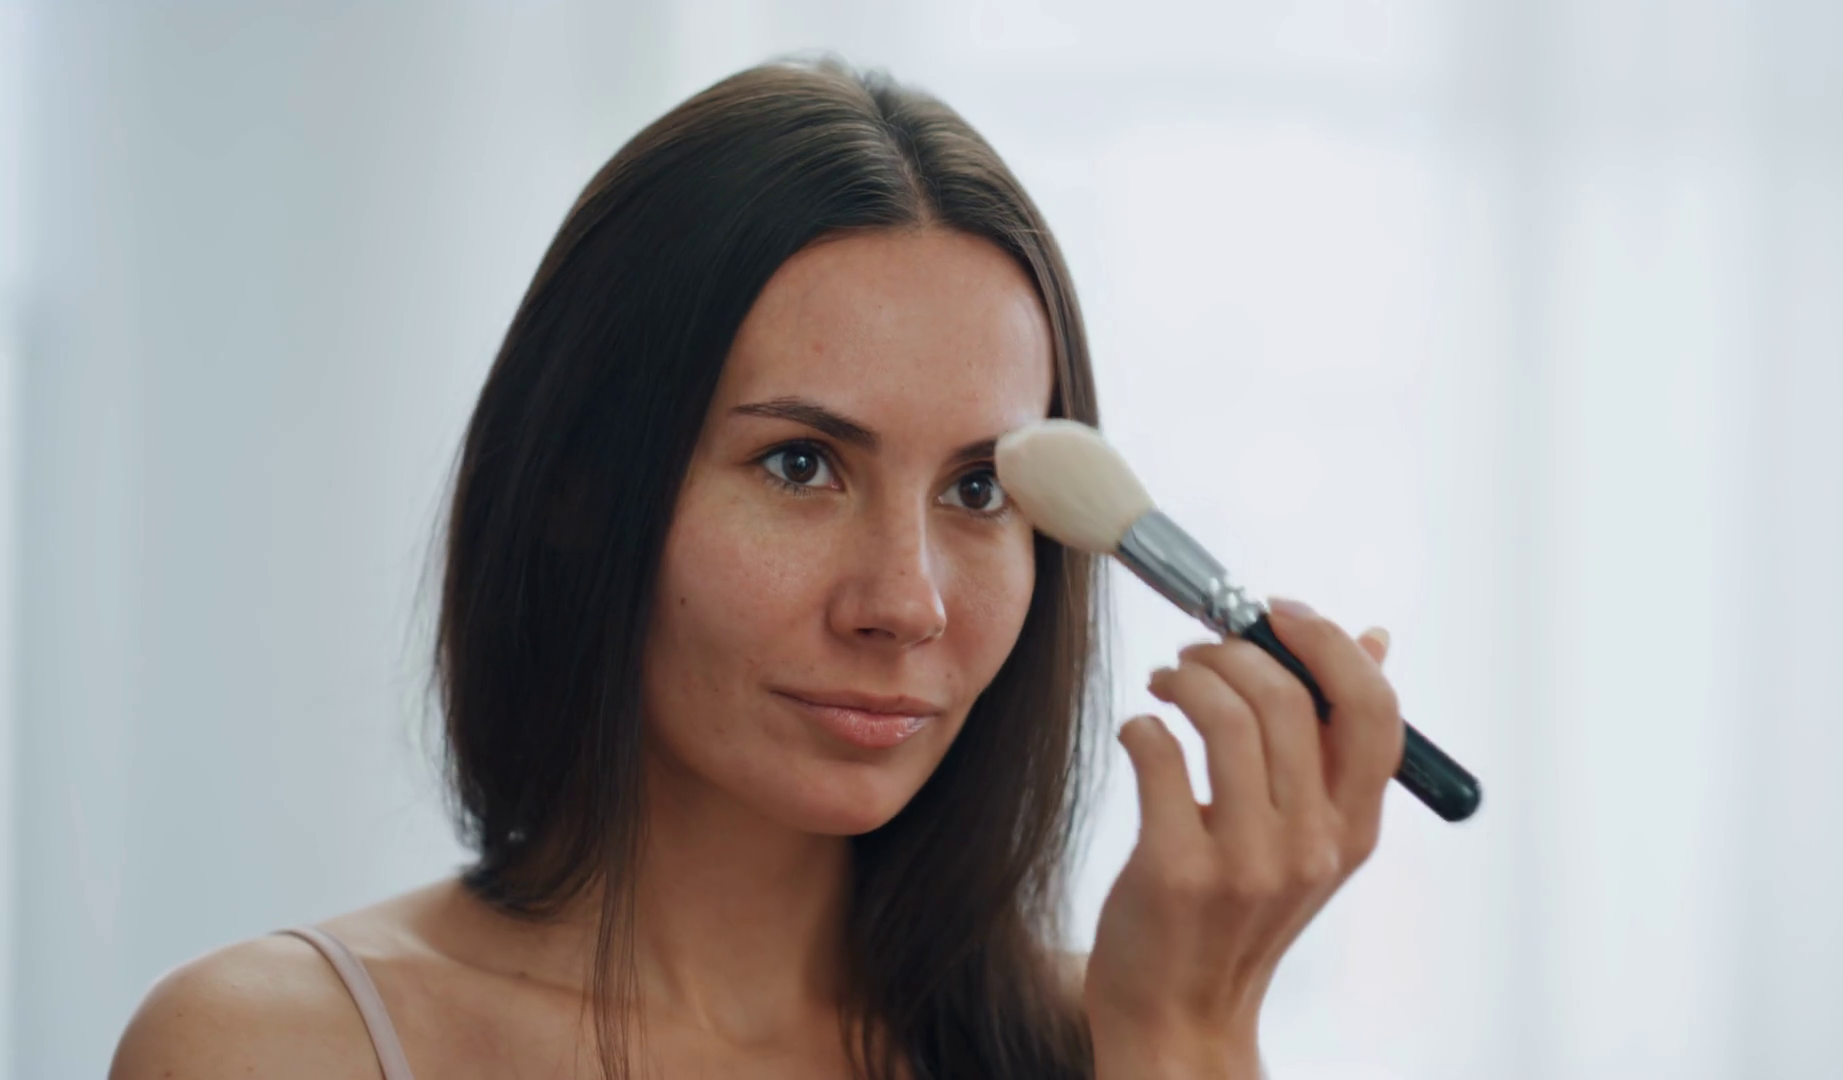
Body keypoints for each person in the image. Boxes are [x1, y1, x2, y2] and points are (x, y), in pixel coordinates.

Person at [108, 58, 1403, 1080]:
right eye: (800, 466)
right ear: (575, 487)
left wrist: (1188, 1044)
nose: (906, 603)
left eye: (976, 491)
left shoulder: (1106, 1035)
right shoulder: (275, 1046)